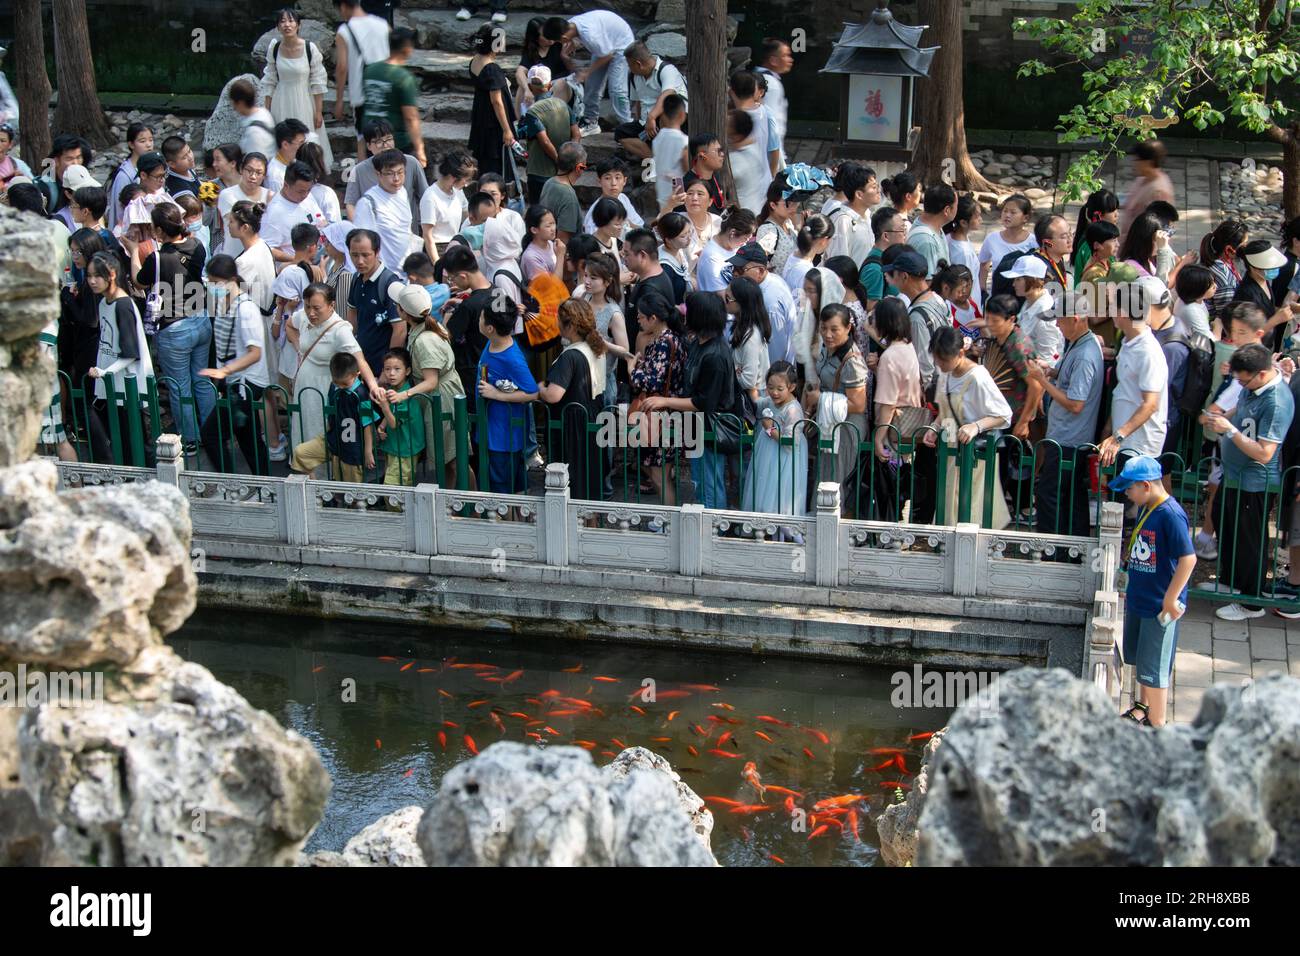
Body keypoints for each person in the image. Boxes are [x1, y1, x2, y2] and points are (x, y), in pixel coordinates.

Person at [1205, 344, 1295, 621]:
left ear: (1263, 373)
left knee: (1249, 543)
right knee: (1227, 529)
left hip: (1255, 483)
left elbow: (1265, 453)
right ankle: (1232, 581)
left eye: (1244, 380)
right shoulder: (1253, 386)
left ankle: (1251, 602)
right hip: (1233, 477)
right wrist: (1222, 417)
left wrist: (1229, 431)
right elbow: (1240, 407)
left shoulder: (1276, 401)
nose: (1241, 385)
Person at [1110, 455, 1196, 727]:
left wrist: (1171, 598)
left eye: (1129, 488)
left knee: (1155, 668)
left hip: (1160, 605)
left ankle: (1157, 725)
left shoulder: (1170, 514)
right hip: (1140, 598)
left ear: (1146, 486)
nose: (1127, 493)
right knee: (1141, 661)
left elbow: (1188, 559)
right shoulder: (1148, 507)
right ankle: (1141, 707)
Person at [640, 292, 736, 509]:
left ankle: (711, 531)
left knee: (708, 484)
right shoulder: (698, 344)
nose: (684, 313)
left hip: (709, 429)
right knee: (701, 482)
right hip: (696, 426)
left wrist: (664, 401)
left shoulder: (715, 355)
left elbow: (704, 402)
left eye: (689, 310)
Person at [126, 204, 210, 448]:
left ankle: (191, 439)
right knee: (202, 381)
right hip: (201, 319)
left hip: (174, 329)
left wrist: (133, 251)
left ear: (160, 230)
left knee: (179, 386)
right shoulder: (197, 246)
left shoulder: (158, 259)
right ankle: (211, 432)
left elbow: (139, 282)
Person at [1028, 301, 1104, 536]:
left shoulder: (1085, 354)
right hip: (1067, 436)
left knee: (1050, 494)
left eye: (1060, 320)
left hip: (1068, 440)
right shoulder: (1079, 344)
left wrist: (1041, 381)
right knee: (1072, 496)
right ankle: (1073, 548)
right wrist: (1050, 371)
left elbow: (1076, 403)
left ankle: (1052, 550)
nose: (1057, 326)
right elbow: (1069, 379)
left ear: (1075, 318)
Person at [926, 325, 1013, 529]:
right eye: (937, 359)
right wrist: (933, 427)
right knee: (949, 505)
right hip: (950, 452)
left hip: (975, 456)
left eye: (944, 359)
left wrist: (976, 426)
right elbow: (944, 409)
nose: (940, 364)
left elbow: (1004, 414)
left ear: (961, 353)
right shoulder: (946, 374)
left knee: (972, 509)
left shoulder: (977, 377)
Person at [199, 254, 271, 475]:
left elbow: (255, 353)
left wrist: (224, 371)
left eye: (214, 282)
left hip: (244, 384)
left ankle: (231, 483)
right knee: (248, 439)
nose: (211, 287)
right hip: (234, 383)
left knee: (211, 435)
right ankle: (265, 486)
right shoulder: (225, 304)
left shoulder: (245, 309)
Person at [286, 282, 379, 449]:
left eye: (316, 308)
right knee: (302, 428)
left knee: (320, 430)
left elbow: (360, 360)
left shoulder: (340, 330)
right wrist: (299, 349)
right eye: (307, 307)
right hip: (304, 386)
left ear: (331, 305)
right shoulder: (303, 316)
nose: (311, 313)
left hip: (324, 389)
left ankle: (323, 474)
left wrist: (373, 386)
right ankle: (305, 469)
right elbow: (289, 326)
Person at [392, 282, 466, 486]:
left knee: (454, 459)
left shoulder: (425, 340)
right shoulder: (427, 326)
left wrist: (403, 395)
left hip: (443, 399)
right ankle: (451, 503)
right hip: (441, 396)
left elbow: (431, 381)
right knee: (449, 459)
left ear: (404, 312)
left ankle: (471, 507)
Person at [84, 252, 154, 465]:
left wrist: (105, 372)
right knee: (123, 442)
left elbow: (131, 353)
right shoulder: (104, 302)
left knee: (135, 444)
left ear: (112, 275)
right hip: (112, 384)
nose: (92, 281)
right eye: (89, 276)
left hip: (127, 386)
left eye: (97, 276)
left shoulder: (123, 305)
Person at [536, 299, 607, 498]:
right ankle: (592, 523)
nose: (556, 322)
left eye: (559, 319)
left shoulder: (570, 356)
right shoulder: (595, 347)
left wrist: (541, 388)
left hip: (573, 426)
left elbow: (553, 394)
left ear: (571, 325)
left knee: (573, 482)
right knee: (591, 479)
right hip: (593, 417)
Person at [1099, 278, 1170, 468]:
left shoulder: (1148, 352)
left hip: (1140, 446)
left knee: (1131, 498)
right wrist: (1110, 428)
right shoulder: (1128, 342)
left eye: (1112, 307)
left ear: (1122, 313)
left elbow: (1150, 405)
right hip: (1123, 442)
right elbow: (1125, 390)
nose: (1110, 312)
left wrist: (1118, 437)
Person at [804, 303, 869, 509]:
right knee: (823, 474)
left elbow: (858, 404)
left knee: (834, 478)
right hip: (829, 421)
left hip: (846, 426)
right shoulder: (826, 348)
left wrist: (821, 399)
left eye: (834, 329)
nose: (828, 334)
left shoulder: (852, 361)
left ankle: (831, 531)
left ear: (848, 328)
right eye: (823, 328)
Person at [627, 290, 687, 504]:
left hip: (661, 415)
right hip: (666, 414)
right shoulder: (672, 339)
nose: (639, 321)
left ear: (653, 318)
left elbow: (651, 382)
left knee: (659, 476)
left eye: (641, 317)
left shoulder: (664, 342)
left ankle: (669, 523)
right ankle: (667, 520)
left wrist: (632, 368)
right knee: (657, 474)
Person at [477, 293, 539, 493]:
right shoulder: (493, 342)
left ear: (489, 328)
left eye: (481, 317)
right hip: (492, 429)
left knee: (503, 490)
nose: (479, 318)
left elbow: (532, 392)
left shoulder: (512, 358)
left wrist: (497, 395)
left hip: (504, 437)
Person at [870, 298, 923, 521]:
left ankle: (892, 532)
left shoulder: (890, 356)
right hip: (910, 425)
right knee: (901, 483)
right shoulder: (907, 347)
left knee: (891, 486)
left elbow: (888, 401)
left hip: (893, 429)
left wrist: (878, 438)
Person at [261, 8, 332, 174]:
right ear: (278, 26)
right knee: (283, 139)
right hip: (281, 98)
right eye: (283, 21)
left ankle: (309, 175)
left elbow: (317, 81)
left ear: (298, 25)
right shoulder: (275, 48)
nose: (287, 25)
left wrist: (319, 111)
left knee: (306, 140)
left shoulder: (310, 48)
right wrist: (267, 109)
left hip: (304, 100)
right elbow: (270, 79)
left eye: (291, 21)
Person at [291, 349, 378, 481]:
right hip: (333, 440)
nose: (341, 386)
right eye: (337, 382)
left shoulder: (361, 394)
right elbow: (331, 413)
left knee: (350, 491)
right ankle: (315, 491)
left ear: (357, 374)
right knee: (301, 453)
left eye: (345, 383)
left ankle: (341, 499)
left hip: (352, 449)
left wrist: (368, 451)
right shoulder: (333, 387)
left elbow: (367, 424)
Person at [543, 11, 635, 135]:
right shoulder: (571, 23)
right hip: (607, 43)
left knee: (617, 89)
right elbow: (599, 49)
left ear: (563, 38)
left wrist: (587, 71)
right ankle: (591, 122)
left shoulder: (590, 36)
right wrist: (571, 45)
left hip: (622, 45)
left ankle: (627, 126)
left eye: (560, 42)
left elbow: (608, 55)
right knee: (592, 85)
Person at [742, 361, 806, 523]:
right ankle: (760, 523)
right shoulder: (770, 401)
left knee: (780, 491)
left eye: (779, 389)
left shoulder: (793, 410)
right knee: (763, 485)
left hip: (785, 457)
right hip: (767, 453)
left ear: (791, 387)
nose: (774, 393)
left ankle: (781, 528)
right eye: (770, 387)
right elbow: (757, 401)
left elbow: (791, 441)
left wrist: (770, 430)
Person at [346, 228, 408, 383]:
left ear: (377, 251)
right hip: (360, 364)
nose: (359, 261)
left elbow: (400, 331)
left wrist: (387, 372)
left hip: (382, 371)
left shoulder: (390, 284)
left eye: (365, 255)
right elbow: (352, 315)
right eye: (354, 255)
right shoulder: (356, 279)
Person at [333, 0, 391, 164]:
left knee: (363, 140)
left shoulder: (345, 30)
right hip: (384, 92)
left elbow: (342, 67)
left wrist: (339, 101)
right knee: (387, 137)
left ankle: (364, 183)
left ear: (343, 6)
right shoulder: (382, 24)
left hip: (361, 94)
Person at [345, 119, 429, 224]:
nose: (385, 145)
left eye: (389, 139)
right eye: (379, 141)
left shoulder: (411, 163)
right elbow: (350, 204)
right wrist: (361, 229)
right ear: (369, 146)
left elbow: (425, 196)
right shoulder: (357, 171)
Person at [363, 26, 425, 167]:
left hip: (371, 139)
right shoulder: (403, 78)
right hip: (396, 141)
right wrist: (420, 148)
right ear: (407, 48)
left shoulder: (370, 70)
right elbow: (411, 117)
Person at [617, 41, 688, 162]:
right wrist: (642, 121)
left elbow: (667, 94)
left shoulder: (667, 70)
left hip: (676, 119)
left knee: (665, 118)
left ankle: (671, 160)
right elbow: (639, 101)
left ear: (638, 64)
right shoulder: (634, 77)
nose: (629, 68)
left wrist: (652, 117)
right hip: (649, 122)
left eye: (630, 65)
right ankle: (656, 160)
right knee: (621, 133)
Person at [729, 240, 797, 366]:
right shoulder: (771, 281)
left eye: (741, 269)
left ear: (760, 271)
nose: (735, 273)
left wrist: (770, 381)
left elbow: (775, 350)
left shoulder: (769, 303)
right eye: (733, 268)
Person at [352, 148, 417, 275]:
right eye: (390, 173)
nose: (396, 178)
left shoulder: (402, 192)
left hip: (408, 271)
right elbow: (361, 244)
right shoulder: (368, 203)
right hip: (385, 274)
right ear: (378, 174)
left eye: (400, 172)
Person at [521, 65, 579, 203]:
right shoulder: (564, 105)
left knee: (539, 211)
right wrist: (569, 158)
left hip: (539, 173)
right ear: (550, 85)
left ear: (529, 86)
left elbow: (545, 141)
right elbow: (576, 134)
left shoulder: (533, 112)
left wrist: (559, 160)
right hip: (563, 175)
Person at [468, 24, 518, 177]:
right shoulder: (491, 68)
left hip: (481, 118)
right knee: (497, 168)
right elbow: (497, 102)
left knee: (486, 165)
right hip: (493, 124)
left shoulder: (475, 60)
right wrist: (507, 130)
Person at [1233, 240, 1297, 350]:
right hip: (1253, 350)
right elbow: (1248, 335)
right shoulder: (1247, 294)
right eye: (1270, 267)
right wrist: (1276, 319)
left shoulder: (1263, 281)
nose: (1275, 270)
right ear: (1254, 267)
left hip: (1266, 345)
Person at [260, 161, 329, 262]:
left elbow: (320, 219)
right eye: (300, 191)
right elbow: (267, 248)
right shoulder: (274, 213)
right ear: (286, 185)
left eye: (308, 190)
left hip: (320, 255)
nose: (305, 195)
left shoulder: (307, 196)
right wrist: (298, 260)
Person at [1000, 255, 1063, 365]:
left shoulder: (1045, 314)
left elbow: (1048, 361)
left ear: (1032, 280)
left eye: (1018, 279)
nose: (1014, 284)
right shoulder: (1029, 301)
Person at [421, 149, 475, 264]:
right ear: (453, 177)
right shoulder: (430, 197)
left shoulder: (458, 192)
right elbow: (427, 235)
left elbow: (468, 216)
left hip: (455, 246)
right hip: (437, 249)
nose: (466, 185)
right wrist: (437, 263)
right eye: (465, 180)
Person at [725, 275, 772, 407]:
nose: (725, 301)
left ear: (742, 303)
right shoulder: (741, 326)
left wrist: (730, 371)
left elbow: (748, 381)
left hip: (753, 400)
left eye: (728, 298)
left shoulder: (750, 336)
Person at [978, 193, 1036, 299]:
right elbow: (983, 264)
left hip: (1024, 298)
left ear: (1025, 218)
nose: (1007, 215)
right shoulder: (992, 239)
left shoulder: (1034, 242)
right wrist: (982, 288)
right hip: (999, 296)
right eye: (1005, 211)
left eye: (1013, 212)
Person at [1119, 139, 1174, 246]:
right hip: (1128, 242)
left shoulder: (1159, 191)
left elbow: (1160, 228)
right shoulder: (1141, 179)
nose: (1134, 163)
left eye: (1137, 160)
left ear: (1148, 162)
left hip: (1142, 248)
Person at [216, 152, 271, 257]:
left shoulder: (270, 196)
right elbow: (240, 224)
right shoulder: (227, 194)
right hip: (232, 257)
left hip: (259, 257)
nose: (253, 176)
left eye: (259, 173)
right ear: (241, 169)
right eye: (249, 170)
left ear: (264, 176)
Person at [105, 123, 154, 231]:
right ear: (131, 145)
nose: (148, 145)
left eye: (150, 140)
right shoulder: (124, 176)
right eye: (142, 141)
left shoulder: (148, 167)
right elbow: (120, 211)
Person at [696, 206, 755, 295]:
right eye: (745, 239)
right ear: (733, 233)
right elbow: (723, 298)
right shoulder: (711, 258)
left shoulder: (736, 246)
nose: (745, 244)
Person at [1200, 219, 1249, 325]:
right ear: (1229, 250)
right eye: (1244, 245)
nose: (1247, 248)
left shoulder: (1215, 260)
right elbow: (1226, 315)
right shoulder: (1224, 279)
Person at [516, 16, 569, 115]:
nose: (550, 38)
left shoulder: (559, 44)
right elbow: (520, 71)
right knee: (522, 88)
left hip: (561, 86)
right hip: (541, 88)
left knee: (560, 84)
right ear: (535, 37)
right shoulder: (532, 51)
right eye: (544, 35)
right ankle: (521, 123)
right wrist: (527, 90)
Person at [753, 38, 793, 165]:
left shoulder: (755, 77)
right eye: (786, 55)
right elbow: (771, 122)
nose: (790, 60)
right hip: (767, 153)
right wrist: (778, 156)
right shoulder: (771, 84)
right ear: (773, 60)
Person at [859, 207, 906, 311]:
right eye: (902, 230)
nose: (904, 235)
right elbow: (870, 307)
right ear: (886, 236)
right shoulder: (874, 269)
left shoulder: (888, 259)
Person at [624, 228, 678, 318]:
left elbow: (649, 330)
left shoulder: (650, 291)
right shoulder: (650, 277)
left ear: (642, 255)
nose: (624, 258)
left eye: (627, 254)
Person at [537, 141, 585, 244]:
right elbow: (562, 241)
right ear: (578, 168)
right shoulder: (568, 197)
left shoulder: (549, 182)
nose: (584, 170)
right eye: (584, 167)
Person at [945, 195, 983, 323]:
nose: (981, 220)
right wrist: (970, 309)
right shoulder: (963, 252)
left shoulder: (950, 237)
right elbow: (964, 285)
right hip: (967, 309)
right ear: (963, 222)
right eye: (977, 217)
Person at [755, 176, 802, 280]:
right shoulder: (768, 230)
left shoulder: (789, 223)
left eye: (795, 202)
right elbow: (759, 263)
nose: (793, 207)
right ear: (773, 205)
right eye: (788, 203)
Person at [582, 158, 644, 235]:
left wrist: (627, 223)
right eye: (607, 178)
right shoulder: (597, 211)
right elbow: (595, 241)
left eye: (617, 178)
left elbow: (640, 227)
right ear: (599, 181)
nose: (613, 183)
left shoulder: (622, 198)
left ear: (624, 181)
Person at [1071, 188, 1120, 286]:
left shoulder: (1097, 239)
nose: (1116, 214)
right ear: (1098, 216)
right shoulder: (1089, 247)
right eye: (1112, 211)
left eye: (1116, 209)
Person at [907, 184, 958, 279]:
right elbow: (927, 283)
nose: (957, 209)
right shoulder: (926, 241)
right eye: (956, 206)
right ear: (947, 210)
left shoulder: (935, 227)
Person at [651, 94, 689, 216]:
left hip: (662, 190)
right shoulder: (684, 140)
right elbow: (686, 168)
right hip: (678, 195)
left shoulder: (658, 138)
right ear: (682, 115)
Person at [36, 134, 92, 217]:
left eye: (78, 157)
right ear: (56, 161)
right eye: (69, 159)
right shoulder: (45, 189)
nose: (75, 163)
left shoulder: (86, 182)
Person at [230, 79, 277, 159]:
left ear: (240, 103)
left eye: (233, 102)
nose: (233, 107)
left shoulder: (254, 133)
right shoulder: (264, 113)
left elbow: (255, 163)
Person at [683, 134, 727, 215]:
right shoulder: (687, 185)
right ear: (702, 155)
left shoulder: (715, 177)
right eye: (718, 151)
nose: (722, 154)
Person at [1173, 262, 1217, 340]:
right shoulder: (1191, 311)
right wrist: (1218, 326)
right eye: (1211, 285)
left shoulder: (1193, 298)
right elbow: (1211, 344)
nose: (1215, 286)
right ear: (1198, 289)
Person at [264, 118, 309, 194]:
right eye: (301, 143)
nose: (304, 147)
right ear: (285, 144)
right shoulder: (276, 176)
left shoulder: (294, 161)